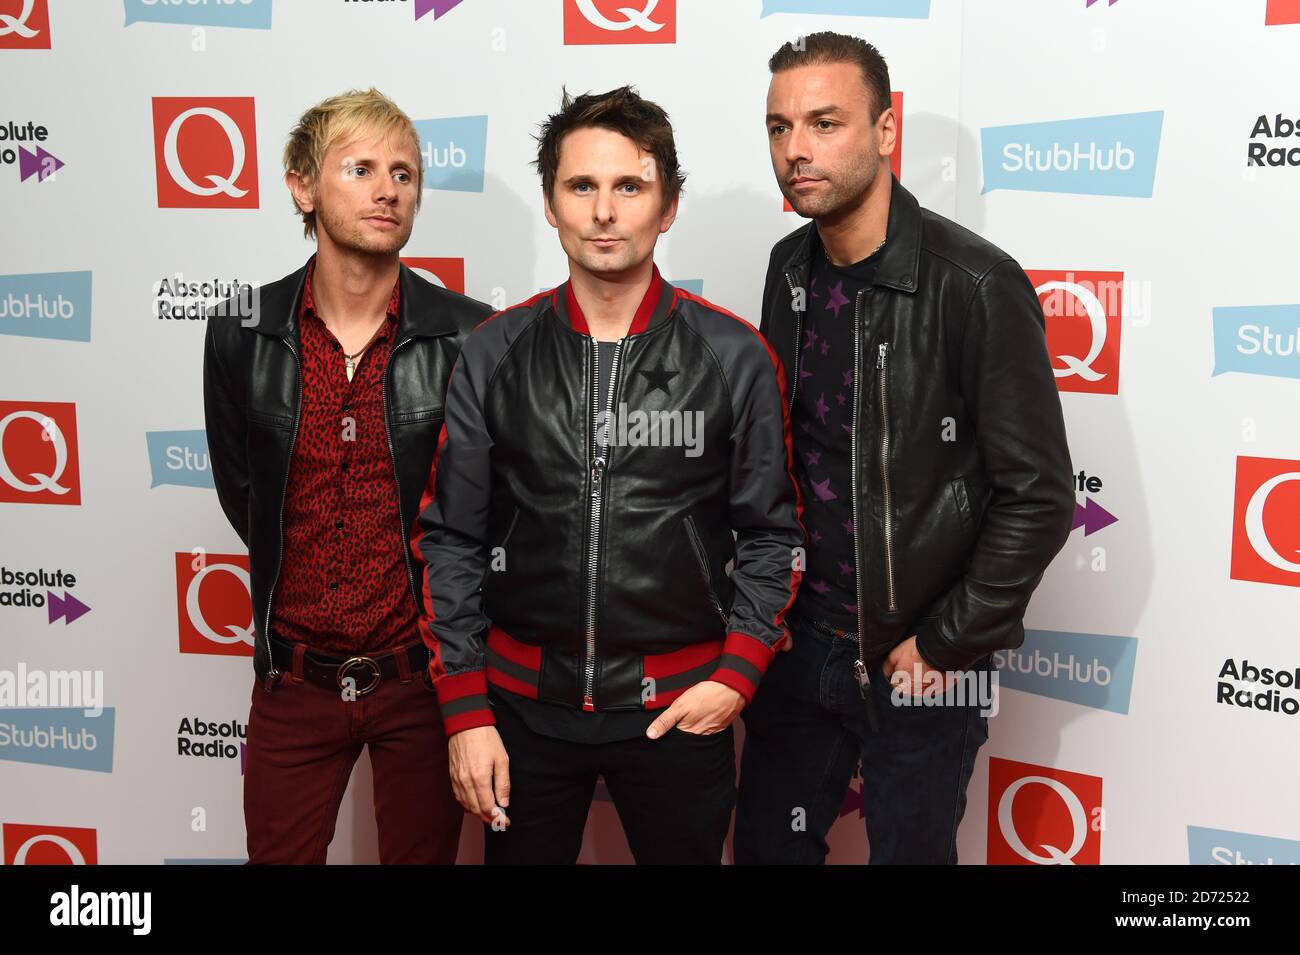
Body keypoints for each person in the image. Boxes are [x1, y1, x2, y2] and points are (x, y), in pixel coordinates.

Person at [410, 86, 804, 864]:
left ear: (669, 205)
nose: (604, 210)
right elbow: (451, 537)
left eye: (630, 186)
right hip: (520, 715)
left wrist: (737, 671)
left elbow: (772, 535)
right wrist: (464, 708)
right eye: (581, 186)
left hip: (680, 713)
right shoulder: (494, 351)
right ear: (552, 205)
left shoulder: (735, 356)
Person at [734, 32, 1074, 864]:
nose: (797, 150)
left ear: (887, 131)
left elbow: (1039, 494)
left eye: (824, 122)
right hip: (800, 646)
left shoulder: (976, 285)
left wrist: (944, 643)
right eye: (780, 128)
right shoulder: (789, 267)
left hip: (921, 662)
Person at [203, 88, 491, 864]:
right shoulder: (241, 329)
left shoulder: (467, 336)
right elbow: (247, 494)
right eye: (360, 168)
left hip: (420, 683)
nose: (387, 189)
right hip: (294, 684)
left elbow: (481, 513)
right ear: (303, 186)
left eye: (403, 172)